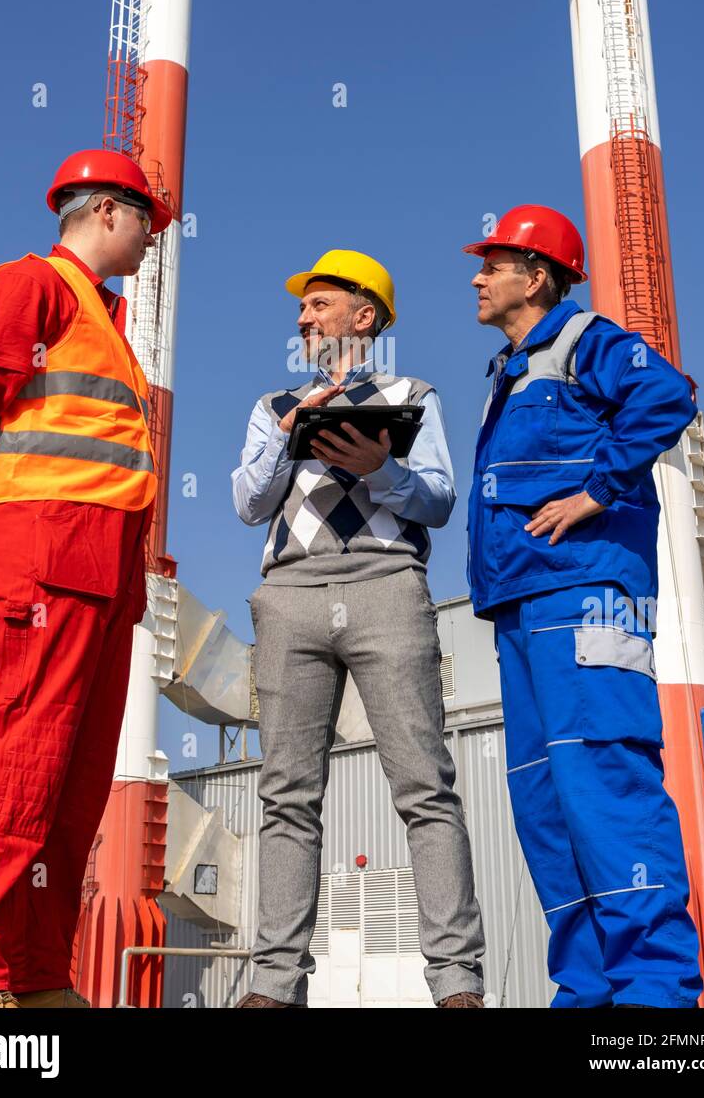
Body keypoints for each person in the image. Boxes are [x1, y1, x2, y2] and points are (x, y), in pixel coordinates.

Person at [0, 149, 166, 1009]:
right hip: (43, 549)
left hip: (99, 569)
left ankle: (33, 977)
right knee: (14, 759)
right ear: (107, 212)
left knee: (69, 785)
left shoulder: (106, 324)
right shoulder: (31, 285)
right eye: (147, 222)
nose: (152, 240)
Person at [463, 204, 703, 1009]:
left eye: (491, 266)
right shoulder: (515, 368)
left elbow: (666, 397)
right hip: (524, 603)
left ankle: (657, 997)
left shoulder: (585, 340)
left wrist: (598, 489)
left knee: (604, 781)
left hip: (588, 594)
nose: (476, 278)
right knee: (546, 800)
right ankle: (589, 989)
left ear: (535, 277)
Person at [231, 250, 485, 1008]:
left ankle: (457, 983)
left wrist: (381, 467)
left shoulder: (413, 396)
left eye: (317, 304)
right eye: (302, 309)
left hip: (386, 585)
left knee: (425, 787)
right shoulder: (272, 403)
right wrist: (288, 434)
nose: (303, 318)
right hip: (290, 596)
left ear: (363, 315)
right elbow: (248, 504)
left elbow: (438, 500)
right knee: (286, 795)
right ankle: (275, 985)